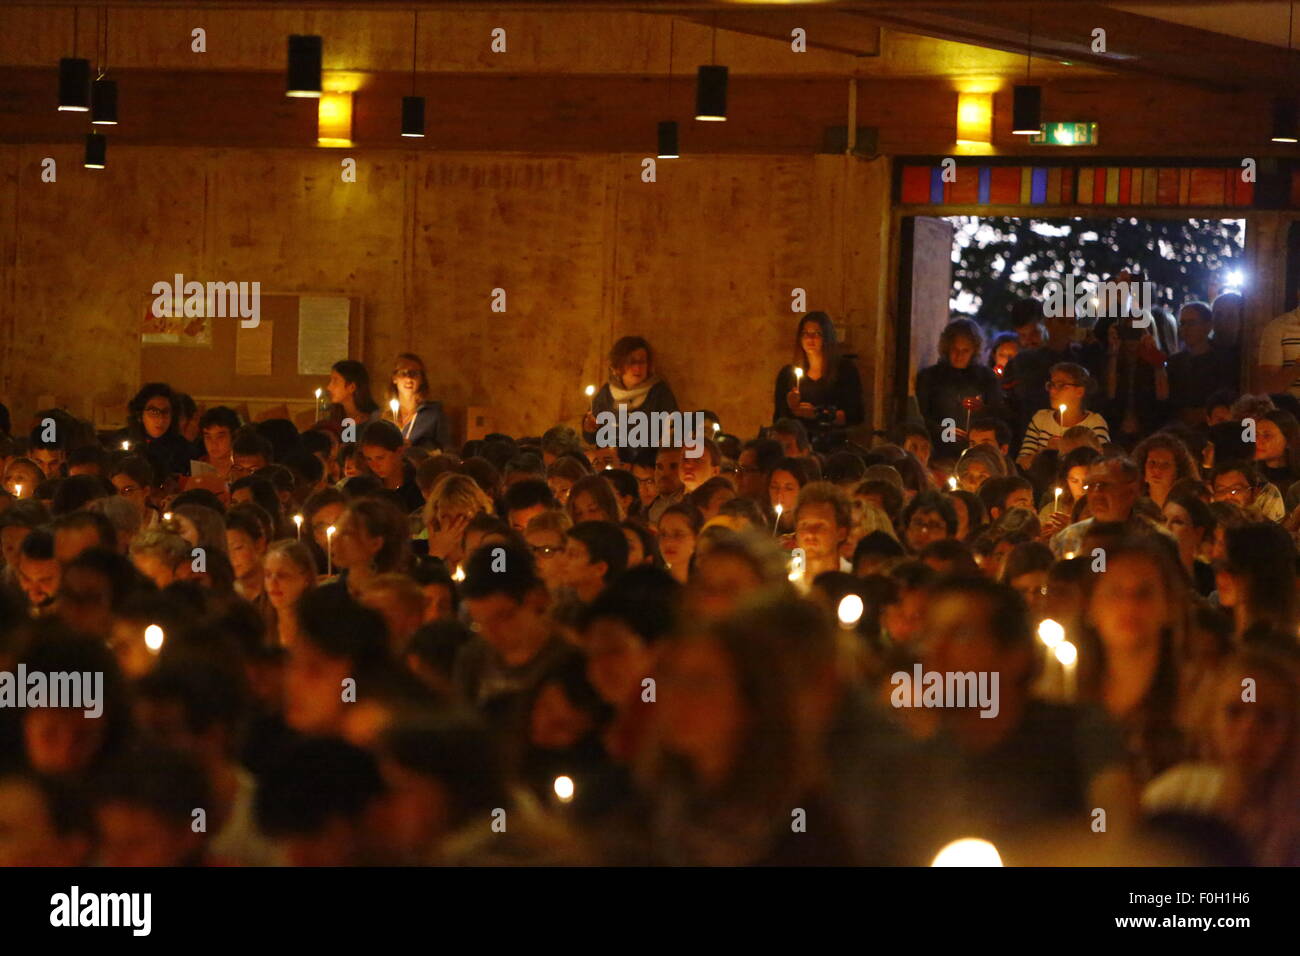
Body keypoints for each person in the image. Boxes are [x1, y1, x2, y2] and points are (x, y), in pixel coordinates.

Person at [772, 312, 864, 445]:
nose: (810, 338)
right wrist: (791, 408)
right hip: (796, 445)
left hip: (833, 444)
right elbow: (779, 420)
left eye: (817, 333)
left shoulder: (844, 371)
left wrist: (817, 414)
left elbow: (855, 415)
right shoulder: (788, 375)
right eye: (805, 333)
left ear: (827, 337)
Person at [914, 319, 1004, 448]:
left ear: (974, 350)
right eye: (954, 349)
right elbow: (920, 417)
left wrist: (983, 409)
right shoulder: (930, 377)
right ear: (946, 348)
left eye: (965, 351)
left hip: (976, 449)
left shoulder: (986, 378)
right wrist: (943, 432)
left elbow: (998, 416)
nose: (959, 355)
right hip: (938, 449)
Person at [581, 336, 679, 444]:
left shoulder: (660, 393)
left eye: (642, 362)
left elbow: (674, 433)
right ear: (618, 366)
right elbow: (591, 439)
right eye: (631, 362)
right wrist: (589, 428)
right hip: (610, 459)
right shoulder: (605, 395)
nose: (637, 368)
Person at [1016, 363, 1109, 471]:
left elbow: (1103, 464)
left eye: (1061, 385)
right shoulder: (1041, 419)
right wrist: (1046, 450)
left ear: (1080, 391)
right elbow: (1021, 463)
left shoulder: (1094, 423)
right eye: (1051, 385)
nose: (1053, 391)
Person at [1167, 302, 1239, 427]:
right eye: (1183, 323)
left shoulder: (1224, 361)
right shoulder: (1175, 362)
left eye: (1192, 323)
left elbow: (1229, 397)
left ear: (1208, 326)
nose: (1186, 329)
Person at [121, 383, 194, 477]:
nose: (160, 419)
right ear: (140, 415)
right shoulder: (123, 440)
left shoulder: (184, 449)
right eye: (154, 412)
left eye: (166, 412)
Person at [388, 352, 451, 450]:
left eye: (414, 373)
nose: (408, 378)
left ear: (422, 379)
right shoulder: (382, 417)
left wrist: (415, 450)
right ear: (394, 378)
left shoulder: (434, 415)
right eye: (403, 373)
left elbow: (447, 451)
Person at [326, 360, 383, 425]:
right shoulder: (337, 416)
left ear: (352, 387)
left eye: (335, 381)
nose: (329, 387)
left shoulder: (375, 419)